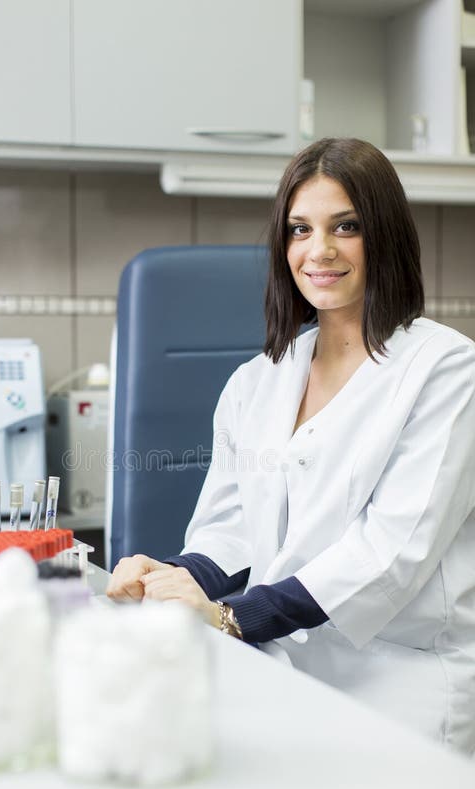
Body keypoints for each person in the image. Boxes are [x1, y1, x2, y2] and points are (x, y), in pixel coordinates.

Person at [107, 137, 475, 753]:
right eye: (300, 229)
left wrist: (233, 618)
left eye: (346, 226)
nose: (320, 250)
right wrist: (170, 576)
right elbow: (233, 528)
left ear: (384, 235)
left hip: (401, 686)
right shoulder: (260, 379)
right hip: (282, 671)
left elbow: (391, 553)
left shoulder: (446, 371)